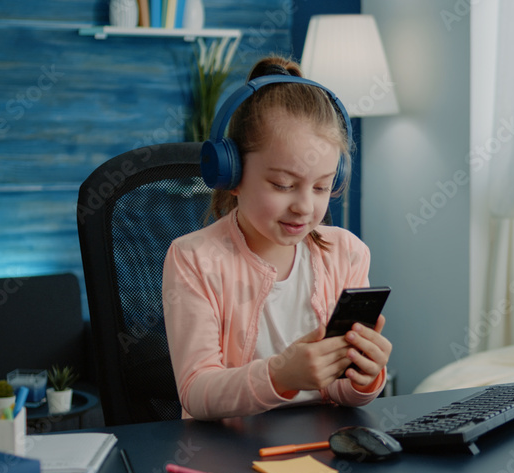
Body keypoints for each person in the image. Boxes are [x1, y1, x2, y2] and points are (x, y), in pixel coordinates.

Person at [162, 55, 392, 420]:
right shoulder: (194, 259)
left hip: (320, 452)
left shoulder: (346, 253)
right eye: (283, 185)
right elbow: (196, 392)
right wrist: (280, 374)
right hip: (232, 457)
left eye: (321, 186)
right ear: (230, 173)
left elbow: (340, 391)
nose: (304, 206)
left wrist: (362, 377)